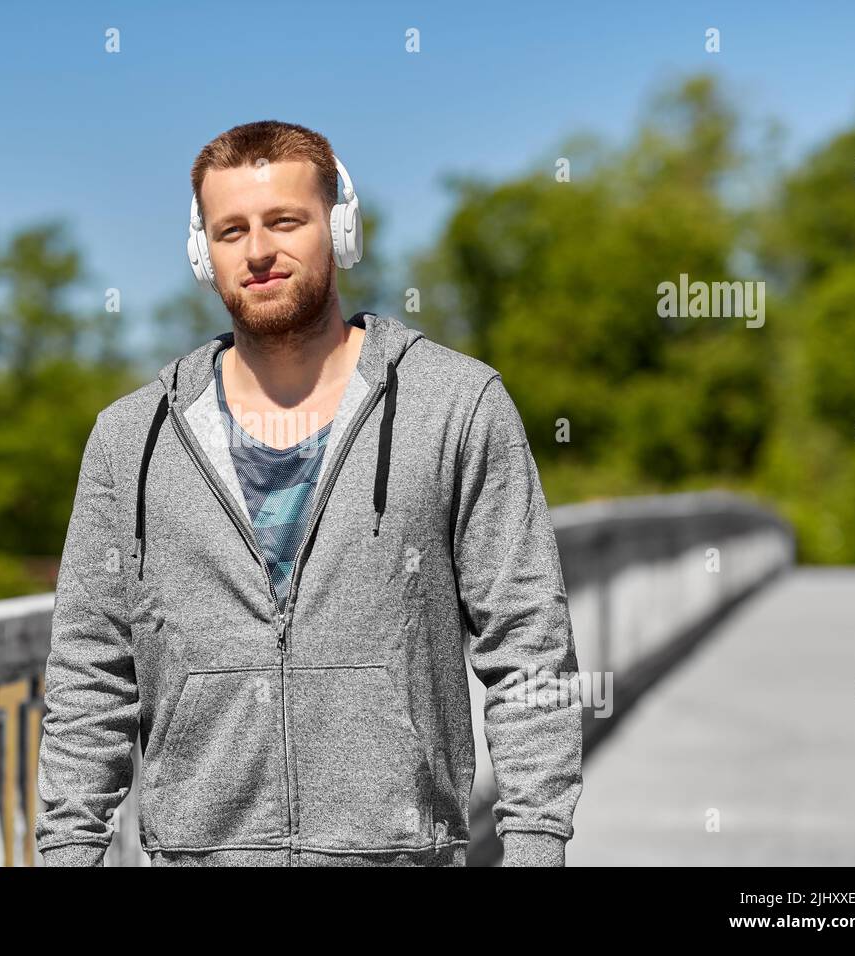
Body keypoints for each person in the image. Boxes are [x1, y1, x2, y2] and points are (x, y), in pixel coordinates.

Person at [36, 120, 583, 867]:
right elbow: (89, 675)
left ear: (341, 229)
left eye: (285, 221)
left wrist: (535, 847)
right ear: (203, 253)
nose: (258, 251)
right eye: (231, 230)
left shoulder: (457, 404)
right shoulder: (131, 439)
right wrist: (69, 853)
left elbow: (528, 647)